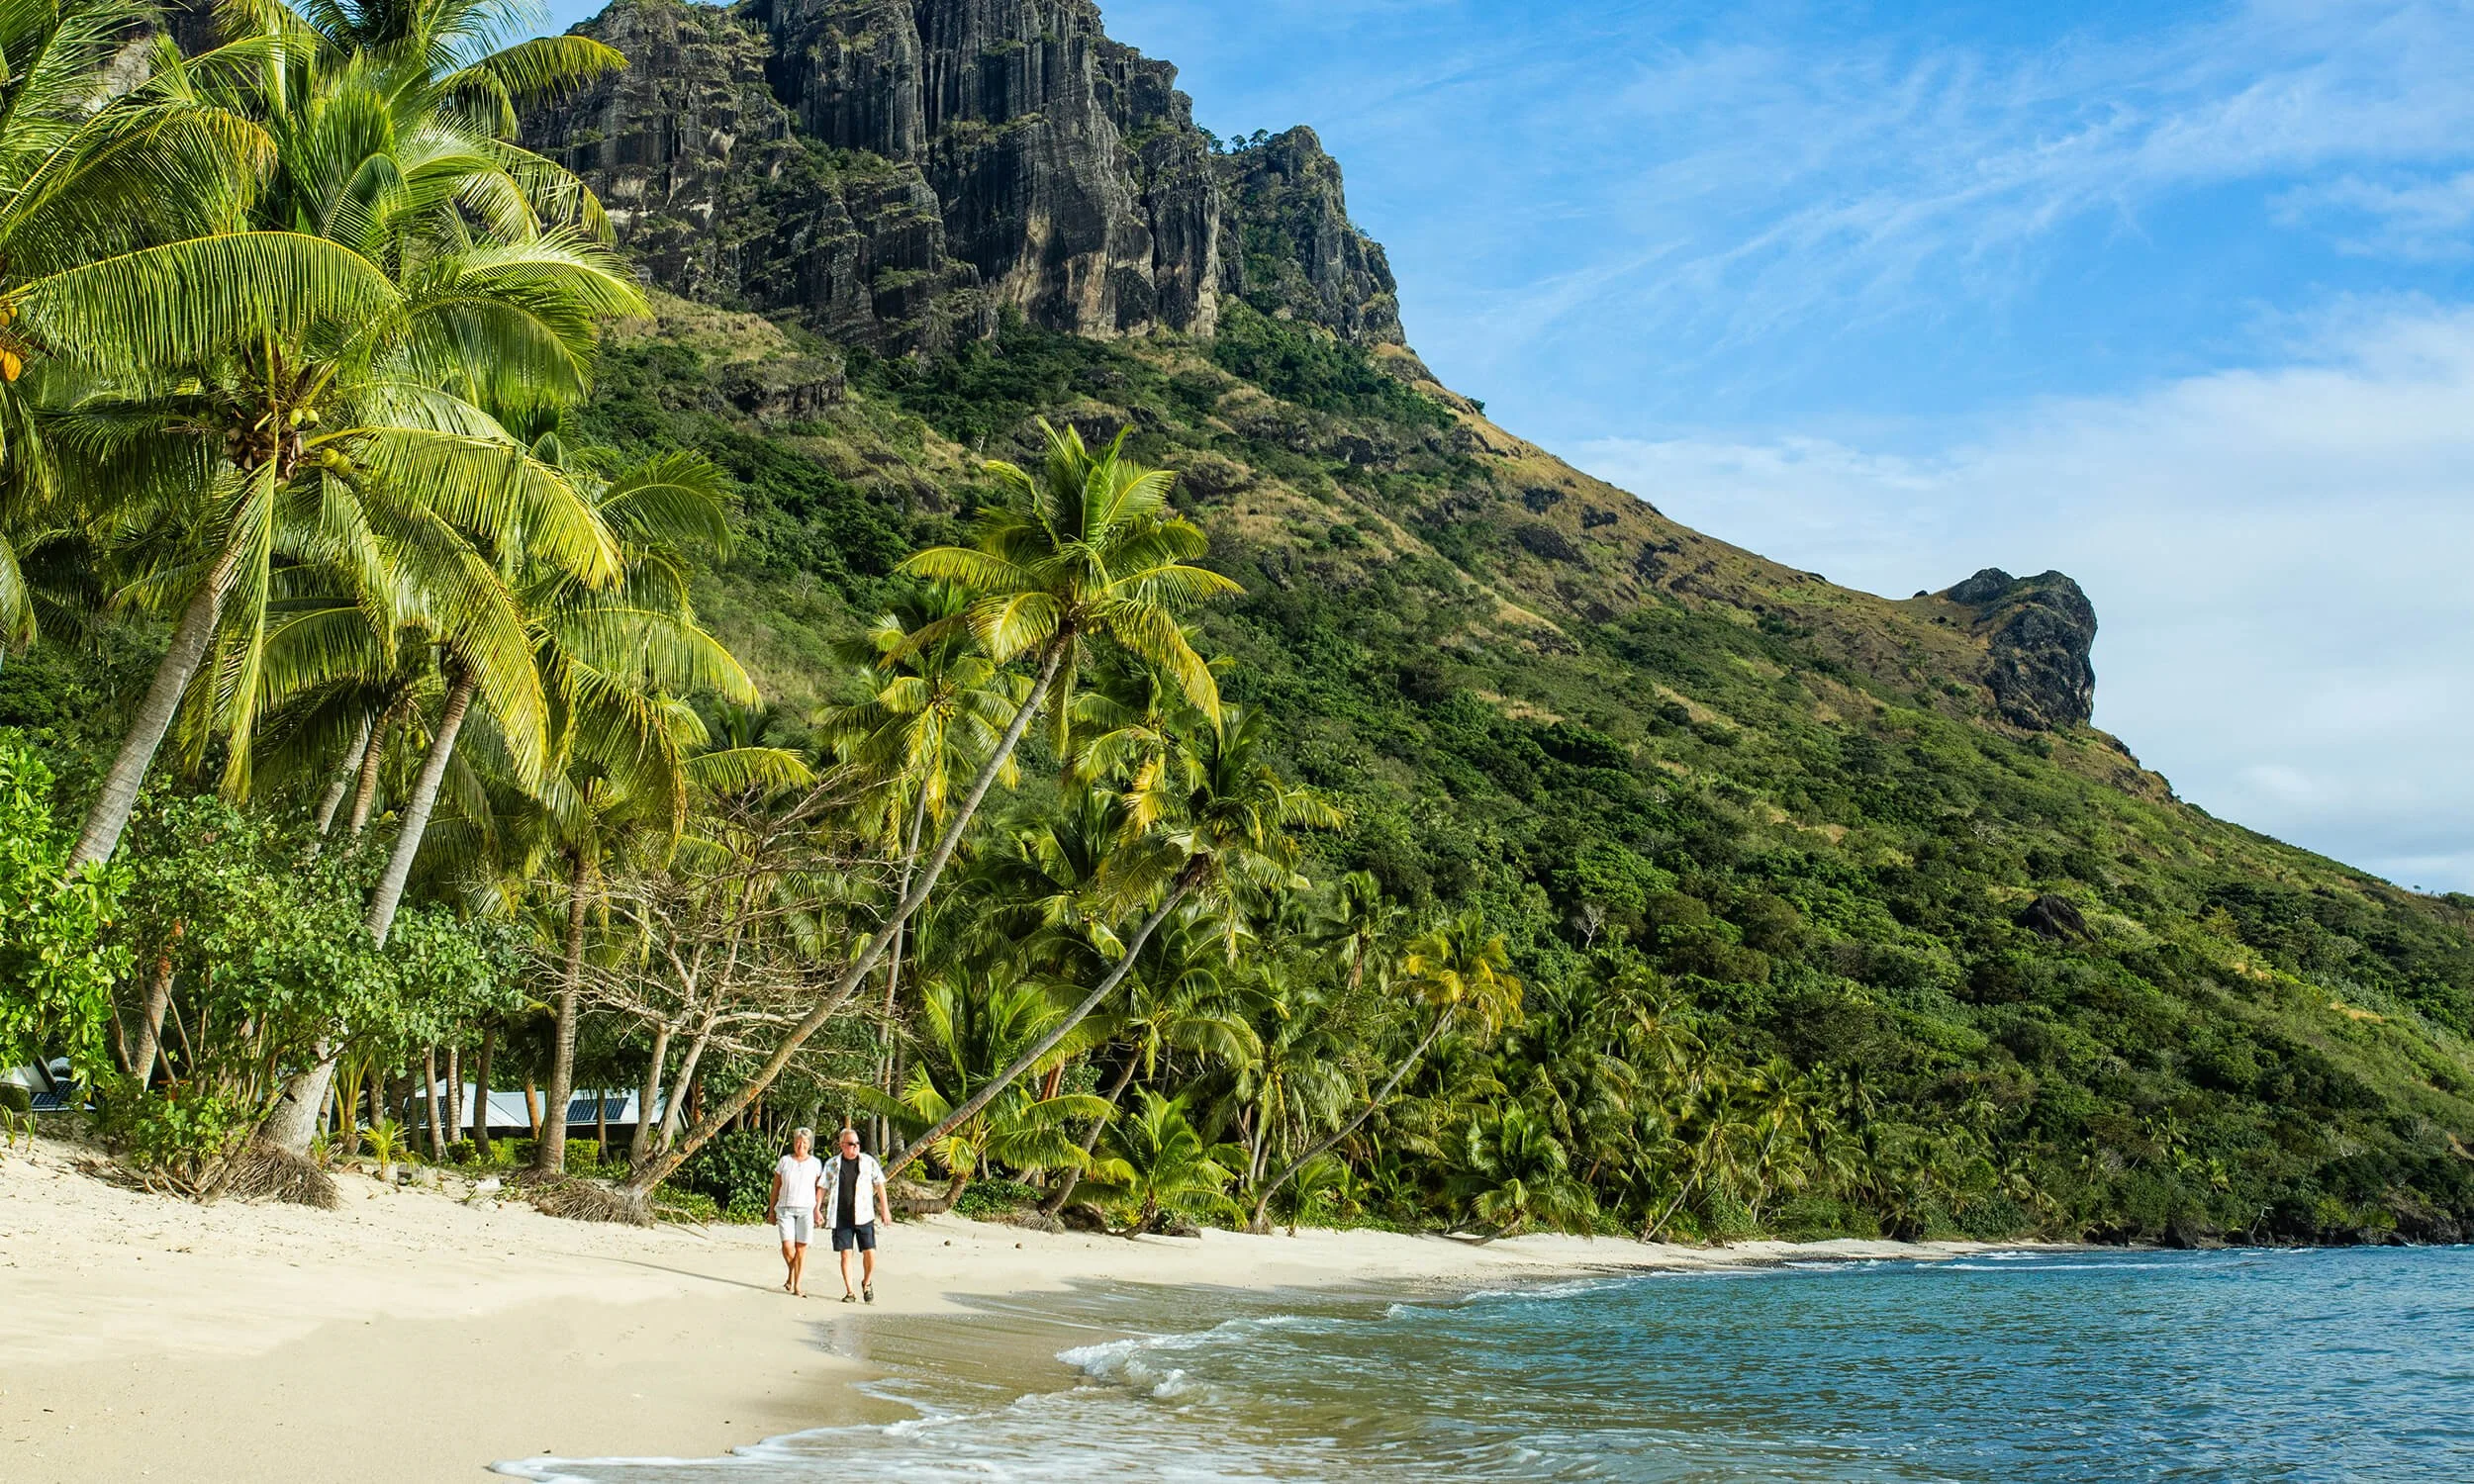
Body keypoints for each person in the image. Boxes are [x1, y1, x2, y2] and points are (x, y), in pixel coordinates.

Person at [822, 1125, 892, 1303]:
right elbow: (823, 1186)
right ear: (842, 1145)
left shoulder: (868, 1162)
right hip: (841, 1216)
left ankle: (866, 1282)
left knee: (870, 1252)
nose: (855, 1147)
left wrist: (885, 1209)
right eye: (851, 1144)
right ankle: (850, 1292)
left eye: (857, 1143)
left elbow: (880, 1185)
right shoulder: (832, 1164)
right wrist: (816, 1208)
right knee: (846, 1254)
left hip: (864, 1214)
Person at [769, 1127, 827, 1297]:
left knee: (801, 1248)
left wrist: (817, 1209)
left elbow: (820, 1188)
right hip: (785, 1208)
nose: (801, 1145)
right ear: (793, 1143)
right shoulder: (785, 1161)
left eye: (804, 1142)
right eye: (797, 1142)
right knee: (788, 1247)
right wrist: (771, 1210)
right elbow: (775, 1187)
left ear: (809, 1144)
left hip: (806, 1210)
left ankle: (797, 1285)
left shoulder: (815, 1163)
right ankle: (791, 1275)